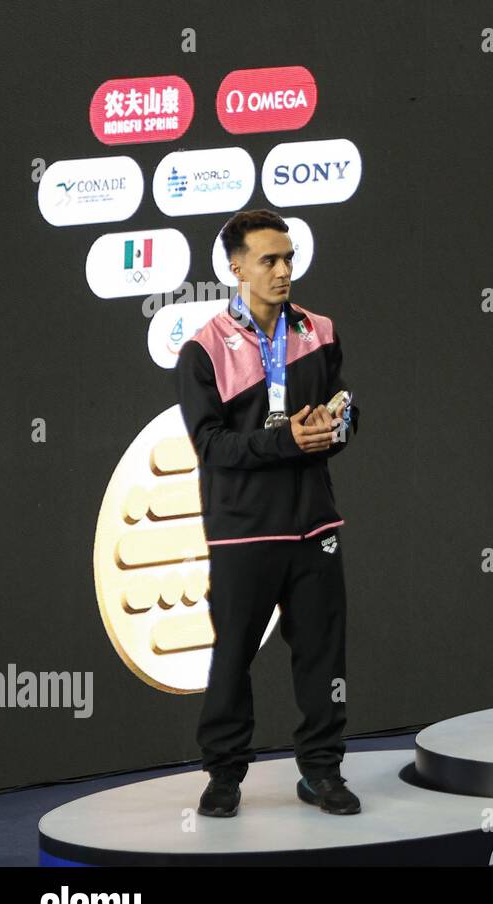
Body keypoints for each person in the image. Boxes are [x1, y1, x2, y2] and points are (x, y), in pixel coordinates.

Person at [176, 209, 361, 814]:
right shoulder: (204, 349)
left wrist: (335, 426)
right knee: (233, 657)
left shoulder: (321, 329)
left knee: (322, 657)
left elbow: (345, 413)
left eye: (288, 259)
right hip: (244, 532)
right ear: (236, 269)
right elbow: (210, 446)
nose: (283, 271)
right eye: (269, 261)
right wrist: (287, 440)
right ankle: (224, 776)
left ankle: (322, 771)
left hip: (315, 526)